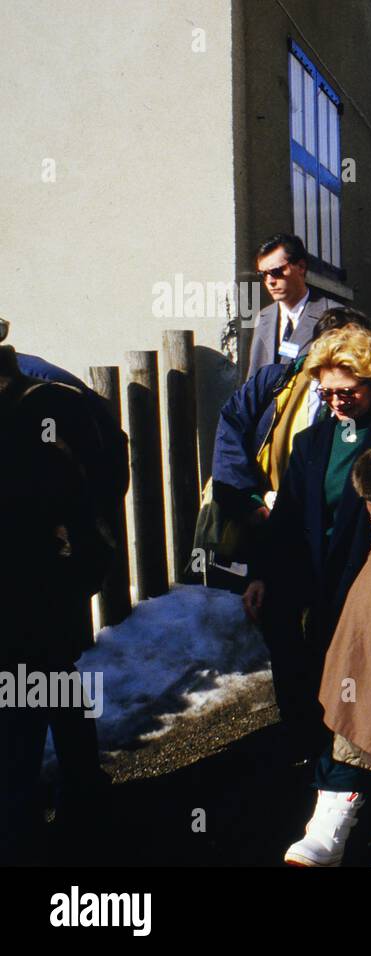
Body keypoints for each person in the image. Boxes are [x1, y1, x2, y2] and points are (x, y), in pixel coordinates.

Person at [240, 327, 371, 861]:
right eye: (326, 392)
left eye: (347, 391)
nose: (336, 401)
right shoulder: (312, 442)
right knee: (352, 686)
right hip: (321, 585)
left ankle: (331, 819)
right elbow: (287, 519)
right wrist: (262, 573)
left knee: (358, 686)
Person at [210, 307, 371, 733]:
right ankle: (298, 724)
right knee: (281, 626)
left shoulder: (366, 399)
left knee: (333, 632)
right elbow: (230, 424)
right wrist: (249, 495)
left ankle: (338, 725)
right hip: (276, 522)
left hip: (335, 532)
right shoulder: (277, 380)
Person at [0, 341, 120, 861]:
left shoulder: (39, 405)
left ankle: (20, 826)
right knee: (53, 681)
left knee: (22, 697)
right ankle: (83, 787)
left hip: (35, 583)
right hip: (48, 581)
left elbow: (66, 499)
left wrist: (71, 570)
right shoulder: (41, 397)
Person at [246, 233, 335, 378]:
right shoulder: (264, 317)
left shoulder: (332, 316)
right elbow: (253, 378)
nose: (270, 281)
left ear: (301, 267)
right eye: (263, 275)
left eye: (276, 272)